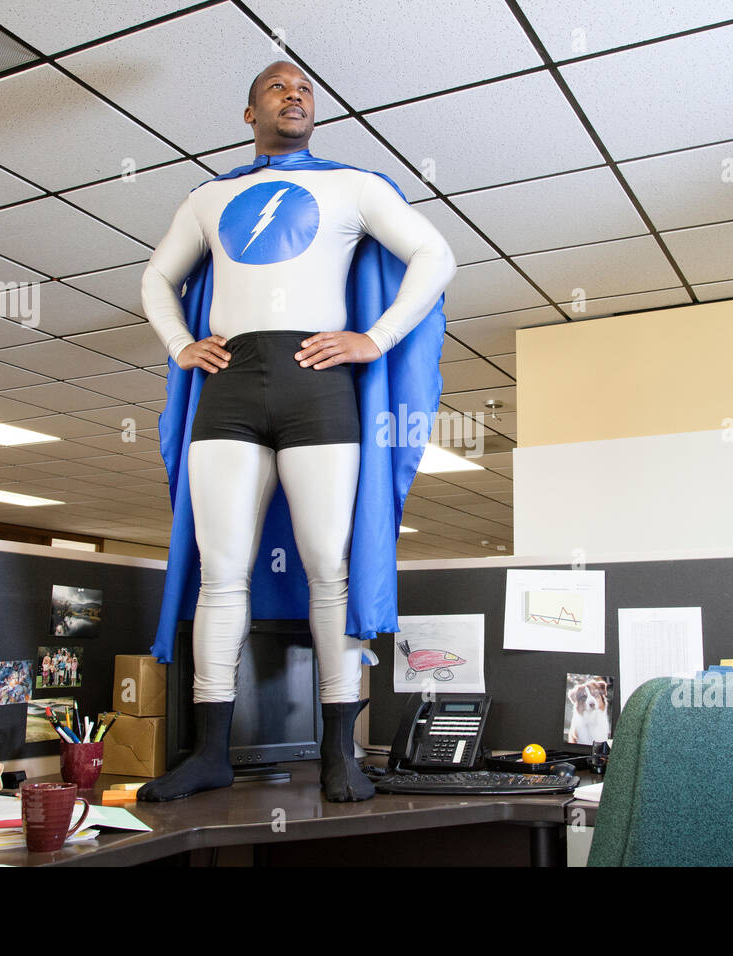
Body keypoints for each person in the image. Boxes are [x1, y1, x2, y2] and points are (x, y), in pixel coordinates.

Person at [138, 61, 455, 803]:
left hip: (319, 384)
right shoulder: (209, 199)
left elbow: (434, 255)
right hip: (230, 385)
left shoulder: (354, 185)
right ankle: (208, 751)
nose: (295, 94)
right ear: (249, 112)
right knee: (222, 574)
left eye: (305, 89)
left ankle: (339, 751)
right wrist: (180, 343)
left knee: (329, 572)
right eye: (279, 88)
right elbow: (155, 279)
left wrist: (373, 337)